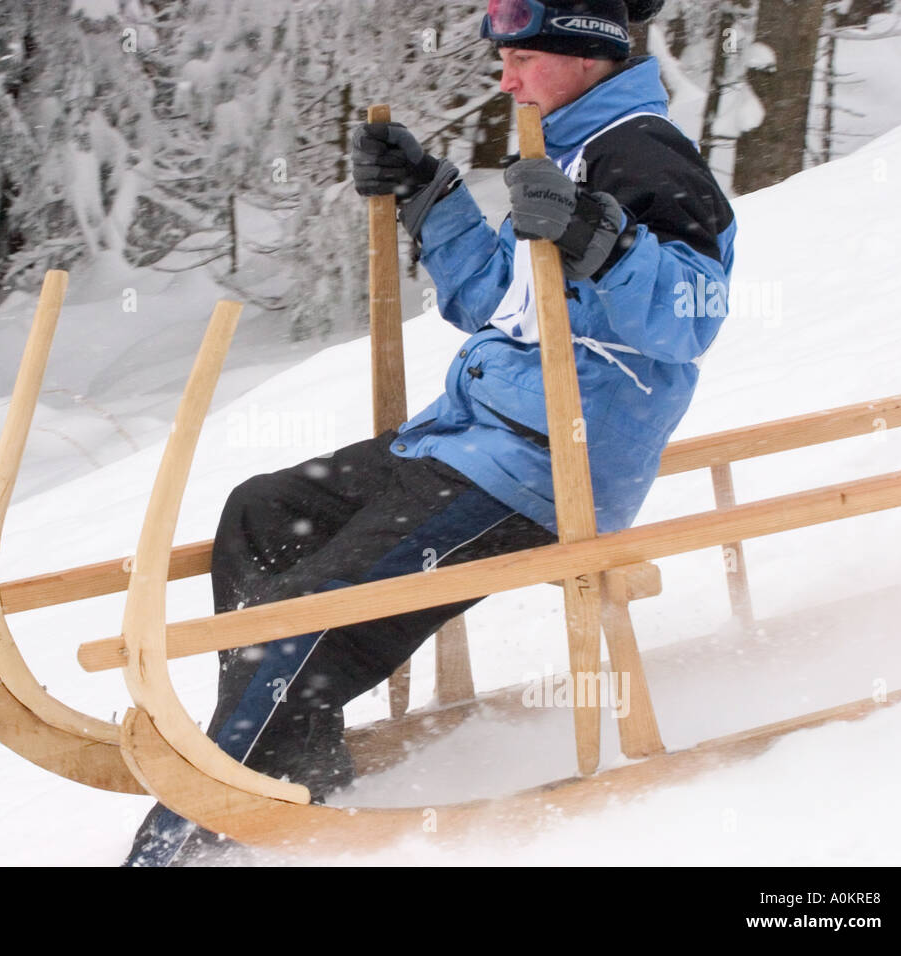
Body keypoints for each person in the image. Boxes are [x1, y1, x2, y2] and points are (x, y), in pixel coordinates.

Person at [122, 0, 735, 866]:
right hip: (471, 436)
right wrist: (428, 195)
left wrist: (606, 241)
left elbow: (695, 314)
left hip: (550, 461)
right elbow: (504, 302)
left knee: (307, 613)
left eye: (522, 58)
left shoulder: (642, 151)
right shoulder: (559, 149)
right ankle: (287, 759)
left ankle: (197, 829)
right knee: (261, 514)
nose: (505, 78)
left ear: (586, 53)